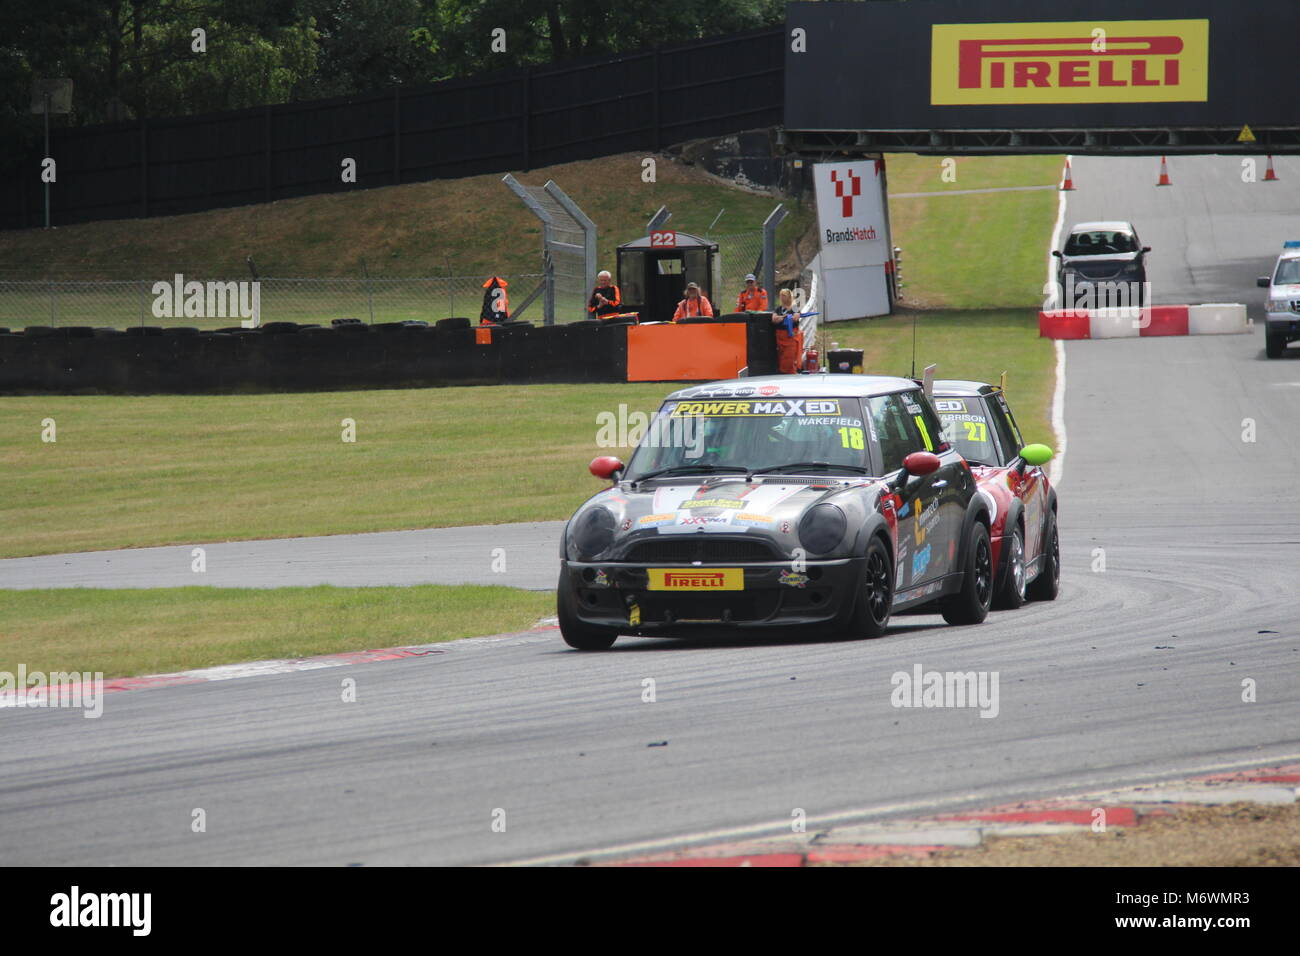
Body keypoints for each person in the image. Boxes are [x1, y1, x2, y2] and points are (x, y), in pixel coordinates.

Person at [771, 288, 805, 374]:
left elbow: (795, 317)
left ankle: (790, 375)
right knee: (782, 358)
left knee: (789, 360)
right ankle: (783, 375)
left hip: (790, 337)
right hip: (780, 337)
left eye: (784, 295)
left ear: (789, 297)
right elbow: (774, 319)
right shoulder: (778, 309)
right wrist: (784, 317)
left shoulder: (794, 308)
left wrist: (782, 318)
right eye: (781, 296)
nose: (782, 298)